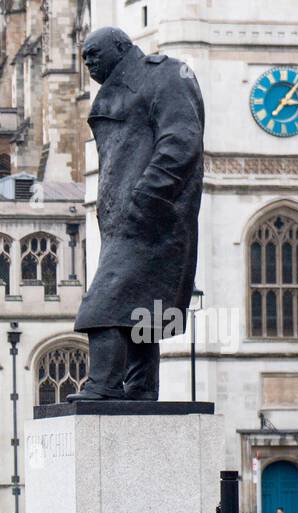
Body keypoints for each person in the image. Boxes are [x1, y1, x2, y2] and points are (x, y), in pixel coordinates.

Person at [67, 27, 205, 401]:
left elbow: (182, 140)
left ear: (121, 47)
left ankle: (104, 385)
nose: (89, 62)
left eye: (94, 53)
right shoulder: (120, 87)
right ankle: (140, 387)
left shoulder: (165, 75)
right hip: (122, 219)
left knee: (105, 302)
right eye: (84, 57)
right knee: (140, 306)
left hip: (154, 217)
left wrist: (147, 195)